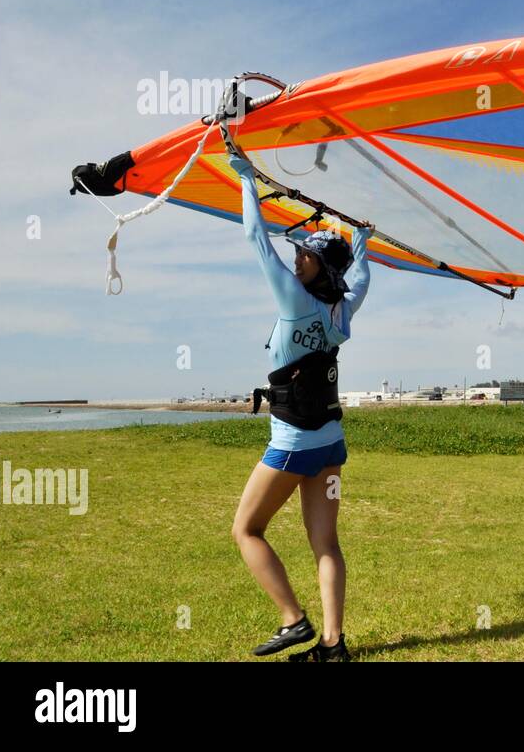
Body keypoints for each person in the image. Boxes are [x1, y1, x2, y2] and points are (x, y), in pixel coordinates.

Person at [228, 150, 371, 662]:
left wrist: (246, 179)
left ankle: (293, 619)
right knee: (326, 544)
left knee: (246, 529)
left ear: (320, 268)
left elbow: (256, 239)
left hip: (293, 445)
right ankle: (333, 646)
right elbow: (361, 279)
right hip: (331, 445)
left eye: (306, 255)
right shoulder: (343, 312)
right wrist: (362, 242)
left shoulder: (294, 300)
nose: (297, 259)